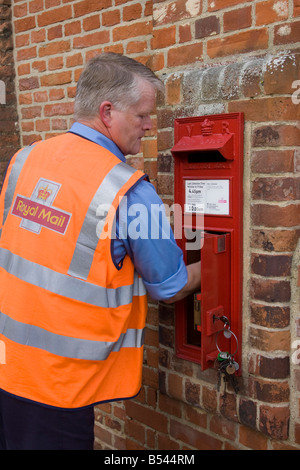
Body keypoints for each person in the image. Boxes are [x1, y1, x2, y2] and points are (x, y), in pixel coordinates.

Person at [0, 53, 200, 450]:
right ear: (107, 111)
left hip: (8, 368)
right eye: (143, 115)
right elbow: (169, 285)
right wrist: (213, 266)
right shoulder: (129, 192)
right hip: (60, 390)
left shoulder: (25, 160)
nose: (148, 125)